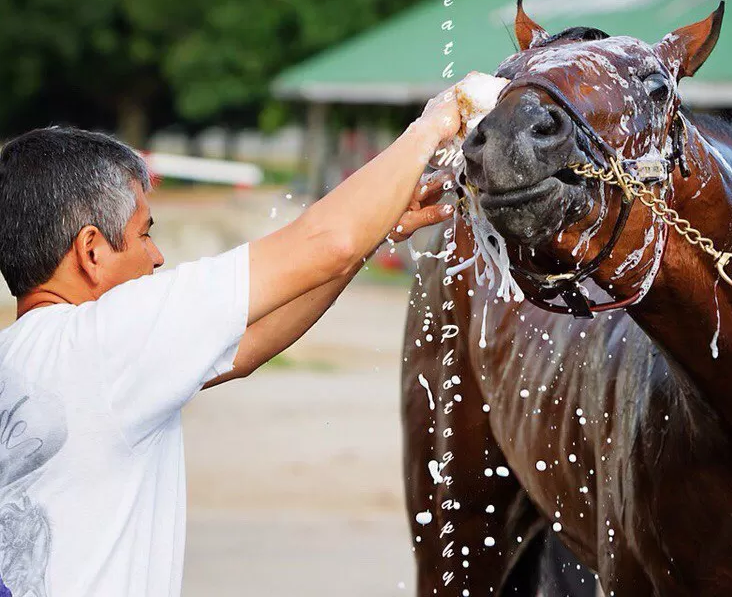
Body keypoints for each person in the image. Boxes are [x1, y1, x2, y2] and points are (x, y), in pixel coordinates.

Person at [0, 84, 462, 596]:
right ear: (91, 251)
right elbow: (325, 241)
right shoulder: (107, 338)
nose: (156, 256)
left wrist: (375, 232)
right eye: (144, 233)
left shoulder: (21, 359)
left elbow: (245, 345)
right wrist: (435, 124)